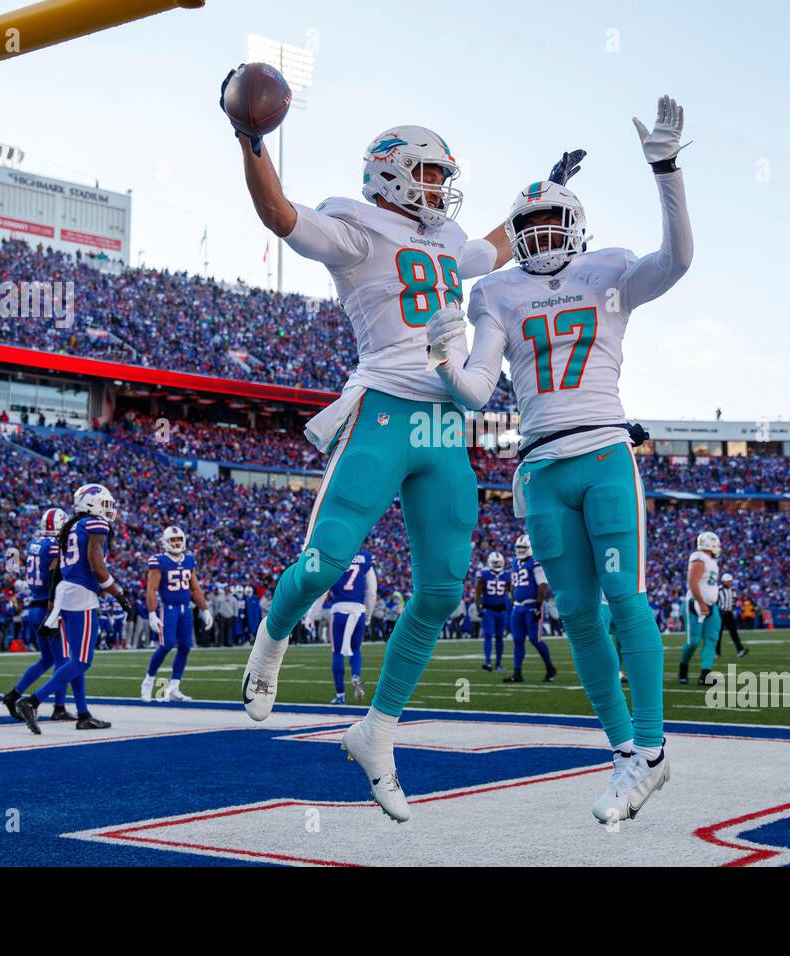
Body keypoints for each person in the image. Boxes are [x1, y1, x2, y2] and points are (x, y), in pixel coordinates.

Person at [226, 74, 579, 822]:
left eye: (443, 176)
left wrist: (544, 190)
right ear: (391, 170)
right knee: (322, 561)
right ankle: (269, 644)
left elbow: (494, 244)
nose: (440, 187)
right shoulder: (353, 226)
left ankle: (376, 729)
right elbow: (279, 214)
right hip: (385, 408)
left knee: (443, 590)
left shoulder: (447, 238)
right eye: (430, 173)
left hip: (446, 423)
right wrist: (252, 139)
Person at [424, 94, 692, 823]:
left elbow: (679, 259)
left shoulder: (609, 270)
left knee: (626, 601)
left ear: (576, 225)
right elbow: (478, 390)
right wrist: (444, 359)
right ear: (517, 234)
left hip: (603, 450)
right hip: (539, 466)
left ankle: (656, 747)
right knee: (576, 613)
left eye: (553, 221)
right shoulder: (498, 292)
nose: (542, 236)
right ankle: (624, 758)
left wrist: (666, 170)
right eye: (530, 226)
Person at [17, 484, 135, 732]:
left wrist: (53, 609)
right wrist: (119, 594)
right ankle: (33, 700)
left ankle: (83, 714)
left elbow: (62, 572)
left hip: (66, 592)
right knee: (82, 661)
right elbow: (96, 564)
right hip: (81, 596)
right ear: (89, 504)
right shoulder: (95, 525)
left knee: (74, 659)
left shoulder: (71, 527)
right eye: (104, 504)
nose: (108, 510)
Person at [1, 508, 75, 722]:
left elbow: (18, 566)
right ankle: (59, 708)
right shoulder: (55, 547)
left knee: (47, 659)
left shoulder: (34, 544)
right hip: (47, 607)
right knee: (62, 661)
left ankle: (13, 694)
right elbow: (55, 577)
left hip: (33, 606)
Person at [141, 526, 213, 703]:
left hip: (185, 608)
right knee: (167, 645)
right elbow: (152, 589)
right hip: (169, 608)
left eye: (179, 539)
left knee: (186, 646)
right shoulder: (159, 561)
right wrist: (152, 613)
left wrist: (204, 609)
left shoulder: (189, 560)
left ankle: (174, 687)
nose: (177, 543)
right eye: (173, 540)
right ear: (166, 542)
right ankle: (148, 681)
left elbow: (195, 588)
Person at [327, 549, 377, 704]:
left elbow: (323, 589)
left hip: (339, 609)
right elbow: (372, 592)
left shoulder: (334, 554)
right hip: (359, 610)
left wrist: (310, 615)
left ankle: (340, 694)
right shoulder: (365, 558)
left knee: (337, 652)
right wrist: (368, 614)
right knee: (356, 650)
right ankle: (355, 675)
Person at [504, 534, 556, 683]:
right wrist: (513, 599)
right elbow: (513, 584)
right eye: (518, 547)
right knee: (518, 640)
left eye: (523, 548)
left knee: (535, 639)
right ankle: (517, 673)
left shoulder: (535, 562)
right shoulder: (515, 562)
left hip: (532, 606)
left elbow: (543, 585)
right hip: (518, 607)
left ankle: (550, 668)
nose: (520, 550)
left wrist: (539, 606)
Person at [681, 532, 721, 685]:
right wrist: (702, 603)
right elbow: (692, 581)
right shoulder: (699, 557)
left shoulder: (711, 560)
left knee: (711, 639)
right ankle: (683, 669)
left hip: (711, 605)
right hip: (696, 604)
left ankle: (705, 674)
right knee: (693, 642)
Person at [475, 551, 510, 672]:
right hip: (488, 610)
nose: (497, 564)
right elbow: (478, 592)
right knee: (488, 635)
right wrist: (478, 607)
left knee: (500, 637)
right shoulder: (483, 574)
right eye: (495, 563)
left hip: (501, 611)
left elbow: (511, 591)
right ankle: (488, 662)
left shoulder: (507, 575)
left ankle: (498, 664)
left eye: (499, 563)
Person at [714, 572, 747, 658]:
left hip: (729, 613)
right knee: (718, 634)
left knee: (734, 632)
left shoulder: (733, 591)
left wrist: (736, 604)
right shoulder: (718, 590)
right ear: (723, 581)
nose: (729, 583)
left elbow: (734, 601)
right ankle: (717, 652)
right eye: (727, 581)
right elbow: (714, 602)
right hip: (720, 613)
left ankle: (740, 650)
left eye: (730, 581)